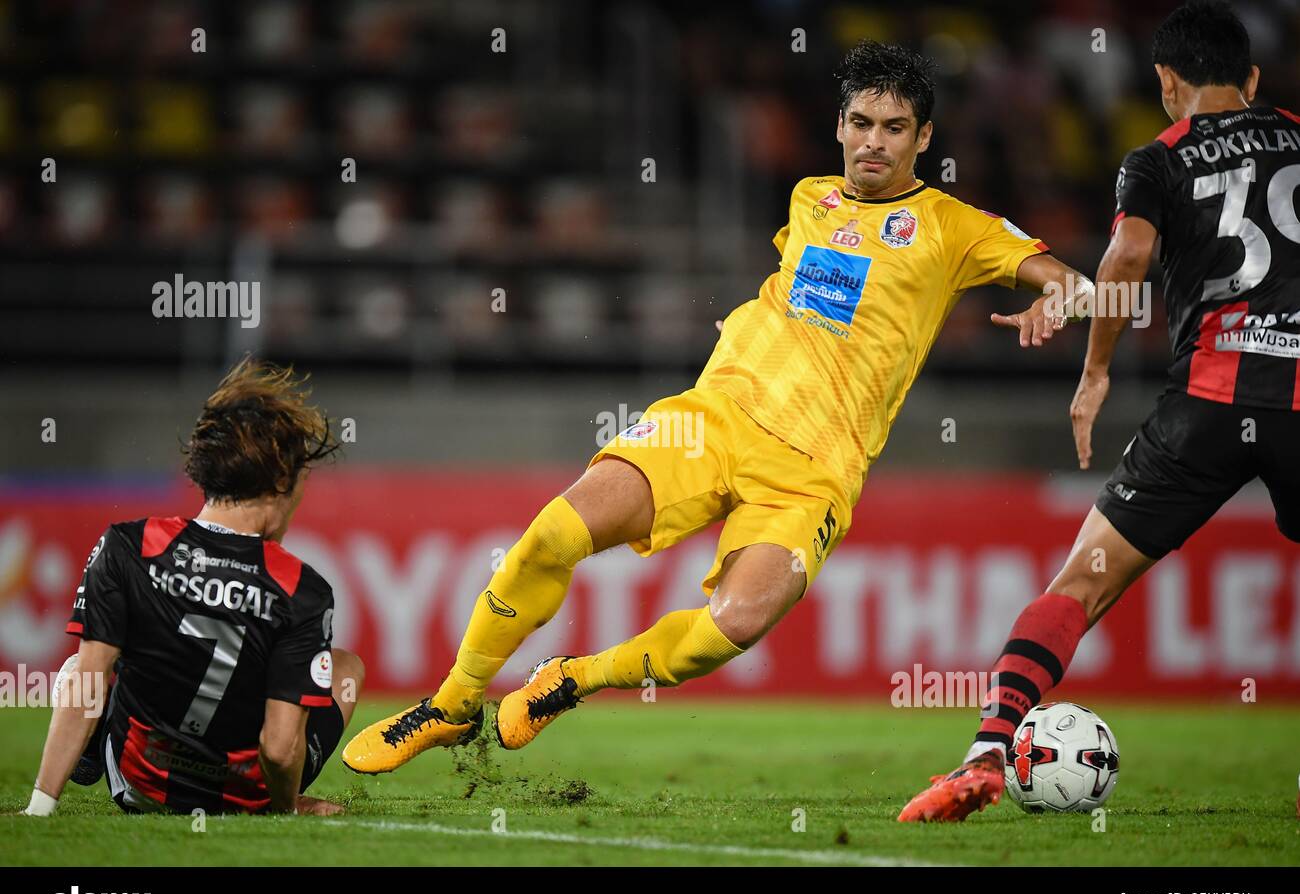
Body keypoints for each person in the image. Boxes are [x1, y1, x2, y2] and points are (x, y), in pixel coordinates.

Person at [343, 39, 1094, 774]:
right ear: (839, 124)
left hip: (814, 473)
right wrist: (742, 329)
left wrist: (1049, 305)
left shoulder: (953, 228)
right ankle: (452, 702)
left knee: (728, 630)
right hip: (715, 418)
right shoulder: (811, 197)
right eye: (861, 123)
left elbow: (1079, 283)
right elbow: (801, 291)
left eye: (895, 128)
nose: (874, 143)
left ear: (924, 137)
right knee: (550, 536)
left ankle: (576, 676)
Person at [900, 0, 1300, 822]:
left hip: (1211, 397)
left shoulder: (1156, 159)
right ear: (1253, 80)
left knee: (1080, 582)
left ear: (1163, 84)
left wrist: (1096, 371)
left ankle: (984, 752)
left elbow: (1125, 256)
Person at [22, 357, 363, 817]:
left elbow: (89, 679)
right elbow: (281, 749)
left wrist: (39, 809)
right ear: (282, 479)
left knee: (80, 668)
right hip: (245, 799)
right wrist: (284, 811)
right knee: (344, 669)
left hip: (138, 787)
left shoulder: (129, 545)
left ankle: (88, 755)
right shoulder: (303, 588)